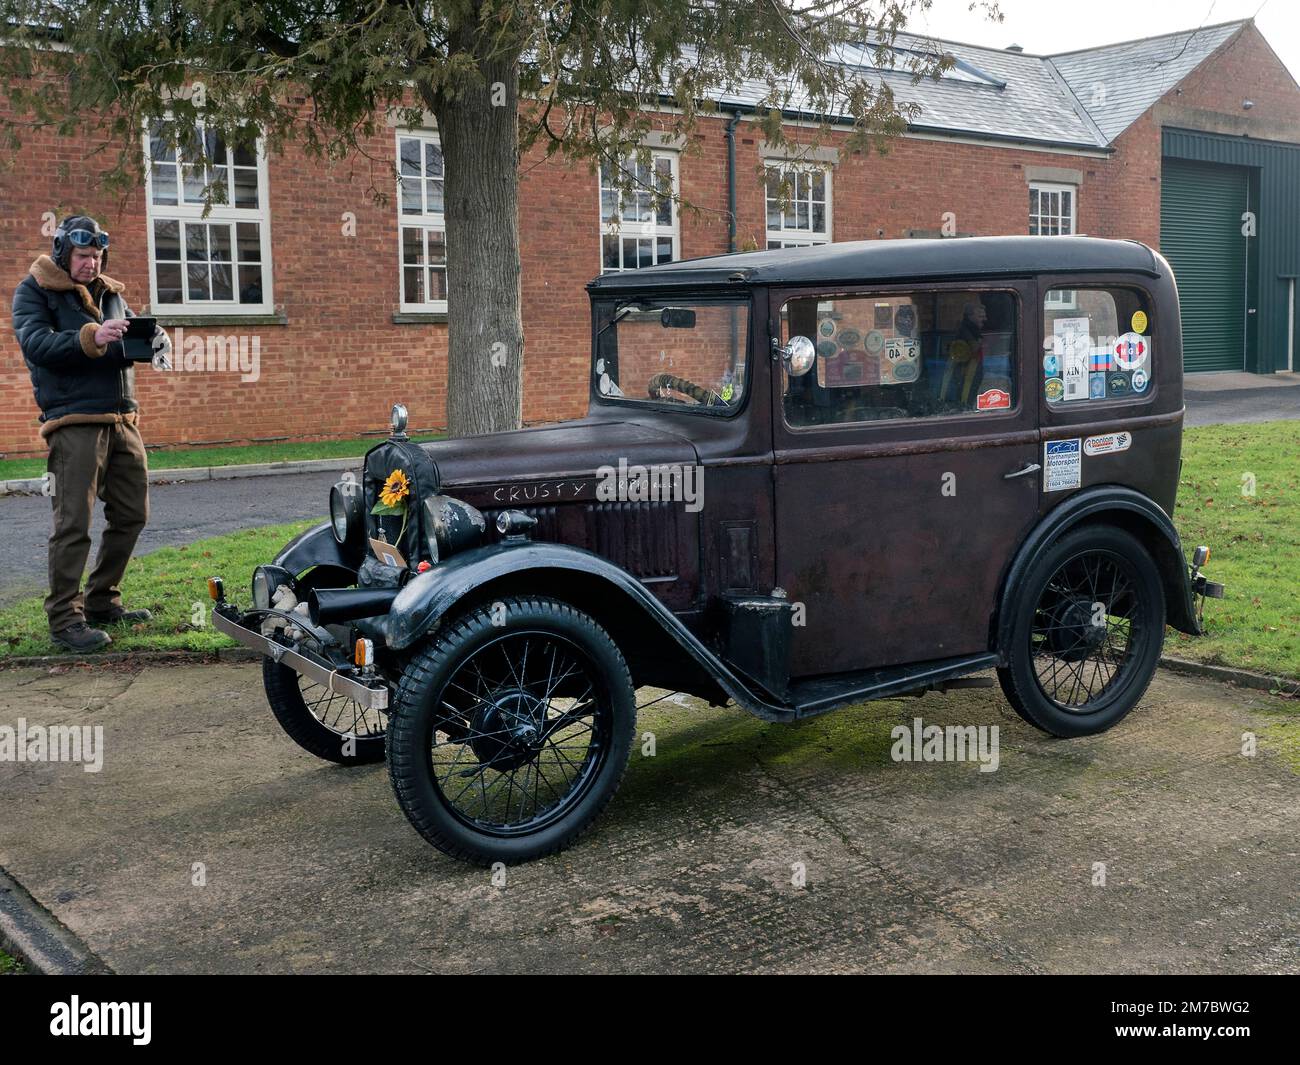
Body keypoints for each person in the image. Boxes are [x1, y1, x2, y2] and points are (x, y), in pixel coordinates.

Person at [12, 215, 171, 651]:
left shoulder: (111, 293)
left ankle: (103, 600)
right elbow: (36, 345)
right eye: (83, 255)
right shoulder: (35, 291)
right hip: (74, 424)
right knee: (73, 524)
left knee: (133, 514)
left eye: (97, 255)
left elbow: (129, 338)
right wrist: (93, 334)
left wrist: (154, 341)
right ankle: (65, 619)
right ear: (64, 253)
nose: (91, 262)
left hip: (123, 420)